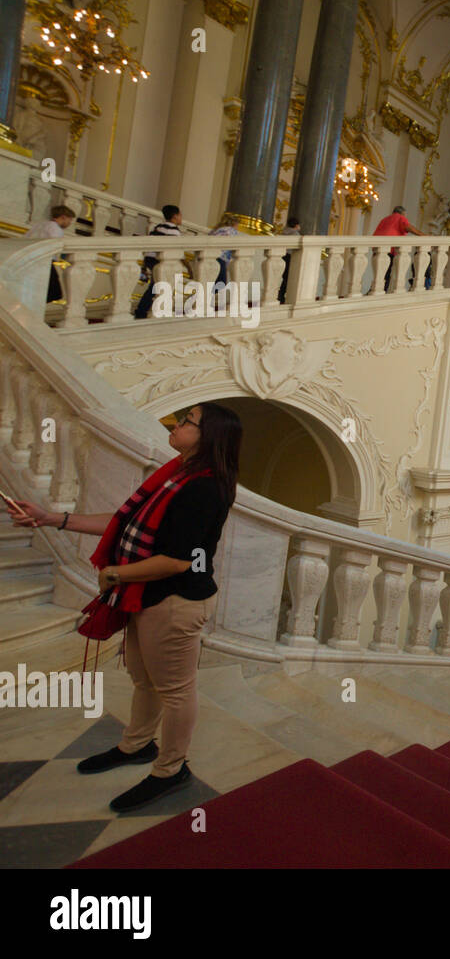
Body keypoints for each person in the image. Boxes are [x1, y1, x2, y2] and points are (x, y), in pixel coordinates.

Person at [7, 403, 242, 812]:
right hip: (148, 595)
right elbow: (123, 522)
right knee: (142, 678)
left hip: (176, 600)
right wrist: (51, 518)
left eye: (187, 421)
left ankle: (171, 769)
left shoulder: (206, 486)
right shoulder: (176, 473)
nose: (177, 423)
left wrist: (116, 574)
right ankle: (136, 746)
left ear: (210, 436)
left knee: (175, 689)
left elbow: (179, 560)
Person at [134, 204, 184, 318]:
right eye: (180, 215)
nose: (181, 218)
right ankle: (142, 311)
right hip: (159, 260)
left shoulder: (158, 227)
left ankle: (142, 310)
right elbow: (176, 249)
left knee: (155, 285)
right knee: (157, 286)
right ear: (175, 216)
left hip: (149, 258)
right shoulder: (174, 231)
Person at [26, 204, 76, 303]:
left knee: (37, 289)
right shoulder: (56, 229)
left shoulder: (39, 225)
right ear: (63, 217)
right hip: (44, 261)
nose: (70, 223)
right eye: (70, 220)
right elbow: (56, 245)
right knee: (54, 292)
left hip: (30, 260)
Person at [374, 205, 424, 291]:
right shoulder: (400, 217)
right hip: (388, 250)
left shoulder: (385, 219)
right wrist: (424, 236)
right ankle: (380, 294)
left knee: (379, 275)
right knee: (385, 276)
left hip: (377, 249)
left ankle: (375, 292)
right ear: (403, 213)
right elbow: (408, 227)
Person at [207, 222, 239, 312]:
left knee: (212, 282)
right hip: (221, 258)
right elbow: (236, 246)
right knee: (221, 283)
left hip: (210, 257)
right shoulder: (232, 231)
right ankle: (208, 303)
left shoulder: (217, 229)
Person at [278, 216, 301, 304]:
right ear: (296, 225)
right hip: (290, 256)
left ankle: (280, 295)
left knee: (284, 276)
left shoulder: (284, 232)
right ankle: (282, 295)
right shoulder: (295, 234)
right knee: (288, 278)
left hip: (282, 255)